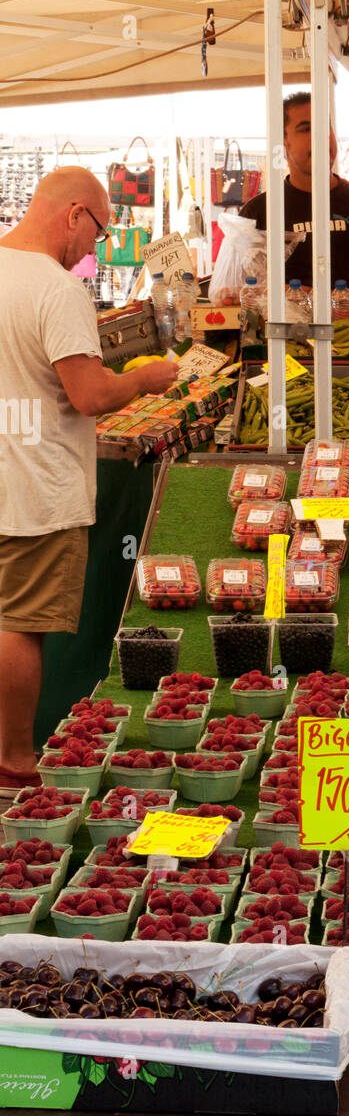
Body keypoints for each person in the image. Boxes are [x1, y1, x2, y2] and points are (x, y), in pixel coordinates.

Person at [0, 167, 180, 796]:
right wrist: (145, 377)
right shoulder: (57, 288)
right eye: (98, 231)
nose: (94, 249)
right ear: (74, 213)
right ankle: (16, 761)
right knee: (19, 624)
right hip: (36, 488)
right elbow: (88, 394)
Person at [240, 92, 349, 298]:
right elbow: (239, 287)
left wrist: (348, 296)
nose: (320, 136)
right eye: (306, 129)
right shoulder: (258, 212)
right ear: (283, 143)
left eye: (324, 126)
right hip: (285, 330)